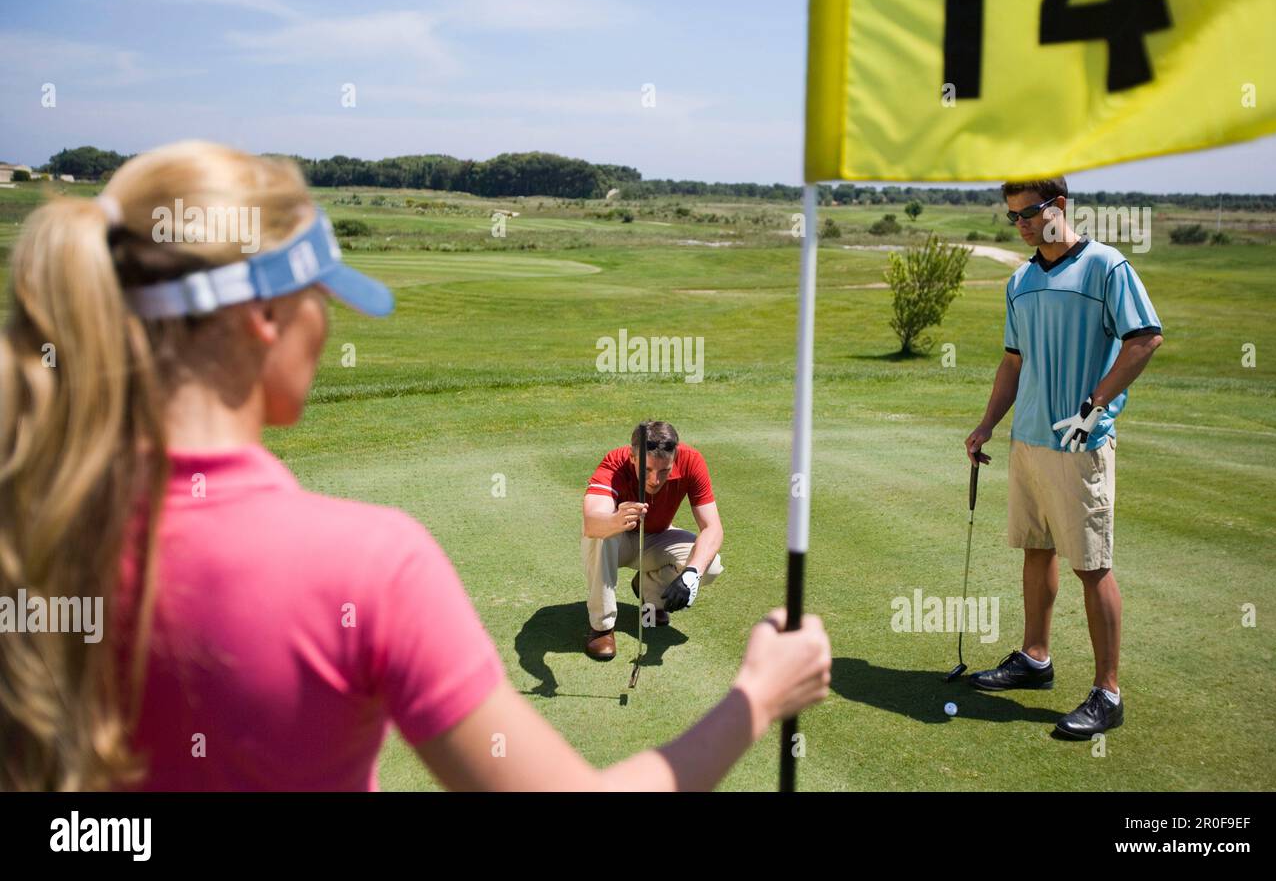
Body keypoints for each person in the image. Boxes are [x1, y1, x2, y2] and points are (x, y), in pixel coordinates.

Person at [0, 140, 831, 791]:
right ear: (263, 317)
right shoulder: (371, 565)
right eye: (319, 295)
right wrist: (757, 696)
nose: (325, 326)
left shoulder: (24, 524)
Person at [964, 176, 1163, 739]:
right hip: (1028, 439)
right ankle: (1035, 658)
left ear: (1061, 207)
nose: (1024, 222)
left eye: (1031, 212)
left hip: (1079, 443)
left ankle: (1108, 692)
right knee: (1036, 548)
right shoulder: (1020, 280)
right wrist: (986, 426)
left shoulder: (1106, 267)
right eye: (1014, 216)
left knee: (1092, 564)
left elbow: (1145, 337)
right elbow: (1012, 362)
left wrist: (1095, 405)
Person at [581, 420, 724, 660]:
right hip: (619, 542)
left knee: (710, 565)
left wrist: (692, 573)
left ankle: (650, 589)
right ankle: (602, 627)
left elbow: (713, 527)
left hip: (658, 538)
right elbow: (591, 522)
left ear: (674, 458)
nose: (654, 480)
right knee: (599, 537)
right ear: (632, 457)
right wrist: (617, 519)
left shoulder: (691, 460)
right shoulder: (615, 462)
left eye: (664, 471)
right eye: (646, 470)